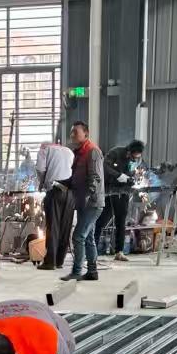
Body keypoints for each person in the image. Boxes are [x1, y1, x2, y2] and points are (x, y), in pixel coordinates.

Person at [63, 120, 104, 282]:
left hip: (91, 203)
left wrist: (88, 195)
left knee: (78, 236)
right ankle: (92, 272)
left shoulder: (92, 151)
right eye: (71, 132)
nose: (72, 135)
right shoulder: (79, 153)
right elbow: (75, 178)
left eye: (76, 132)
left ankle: (77, 271)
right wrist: (59, 182)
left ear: (85, 133)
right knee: (88, 238)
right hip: (83, 202)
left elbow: (95, 178)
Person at [97, 139, 144, 262]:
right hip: (110, 192)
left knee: (121, 222)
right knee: (102, 220)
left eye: (136, 157)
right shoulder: (115, 152)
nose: (134, 159)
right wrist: (118, 175)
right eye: (133, 156)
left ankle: (119, 252)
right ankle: (92, 251)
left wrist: (133, 178)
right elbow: (104, 167)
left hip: (123, 192)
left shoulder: (135, 159)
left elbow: (133, 171)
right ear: (129, 151)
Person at [34, 137, 76, 271]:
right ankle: (59, 260)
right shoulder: (69, 151)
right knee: (65, 226)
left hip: (55, 190)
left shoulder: (44, 150)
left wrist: (41, 184)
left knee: (53, 226)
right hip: (71, 193)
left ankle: (50, 262)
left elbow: (40, 169)